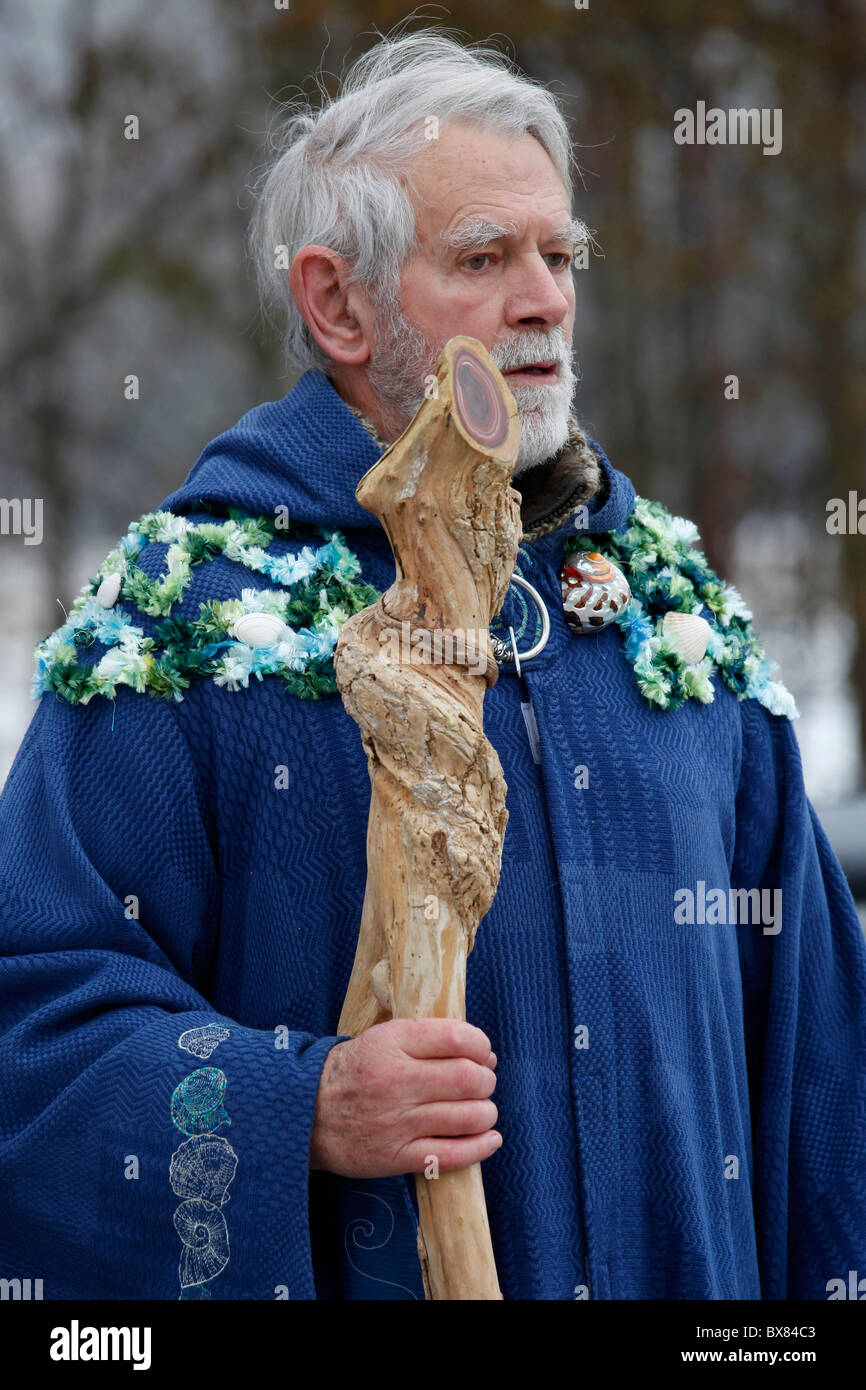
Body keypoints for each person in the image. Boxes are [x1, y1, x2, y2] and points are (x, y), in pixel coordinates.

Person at [1, 29, 864, 1302]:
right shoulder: (177, 635)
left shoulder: (674, 631)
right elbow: (34, 1027)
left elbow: (820, 1079)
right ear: (336, 302)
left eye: (558, 255)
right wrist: (297, 1105)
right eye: (483, 259)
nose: (545, 299)